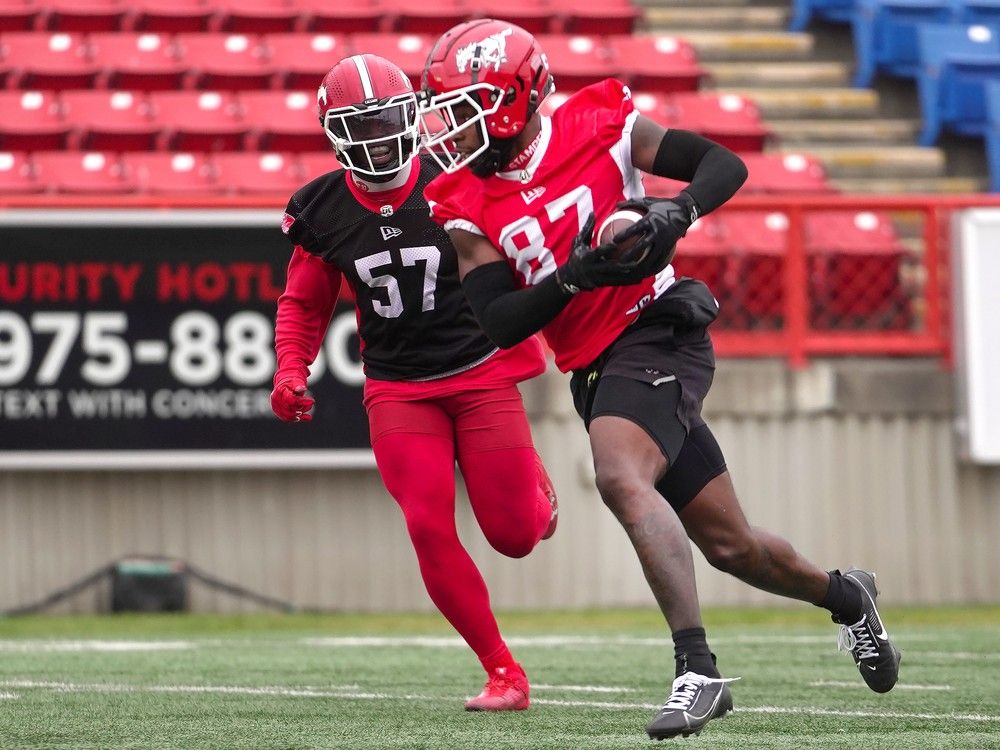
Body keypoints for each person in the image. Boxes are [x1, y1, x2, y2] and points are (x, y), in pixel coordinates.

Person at [417, 19, 901, 740]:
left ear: (512, 100)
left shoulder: (599, 121)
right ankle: (846, 596)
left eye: (462, 110)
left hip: (657, 328)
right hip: (594, 366)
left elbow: (720, 165)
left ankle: (696, 671)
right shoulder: (464, 201)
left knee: (617, 473)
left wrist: (676, 211)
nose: (447, 130)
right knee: (733, 547)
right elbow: (500, 320)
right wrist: (575, 275)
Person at [271, 53, 559, 712]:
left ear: (412, 116)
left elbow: (521, 250)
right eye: (360, 126)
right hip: (399, 387)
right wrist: (291, 366)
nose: (377, 138)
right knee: (428, 524)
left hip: (479, 370)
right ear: (336, 134)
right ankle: (503, 672)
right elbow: (304, 301)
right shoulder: (320, 208)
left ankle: (535, 494)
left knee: (514, 535)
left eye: (386, 121)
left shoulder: (457, 177)